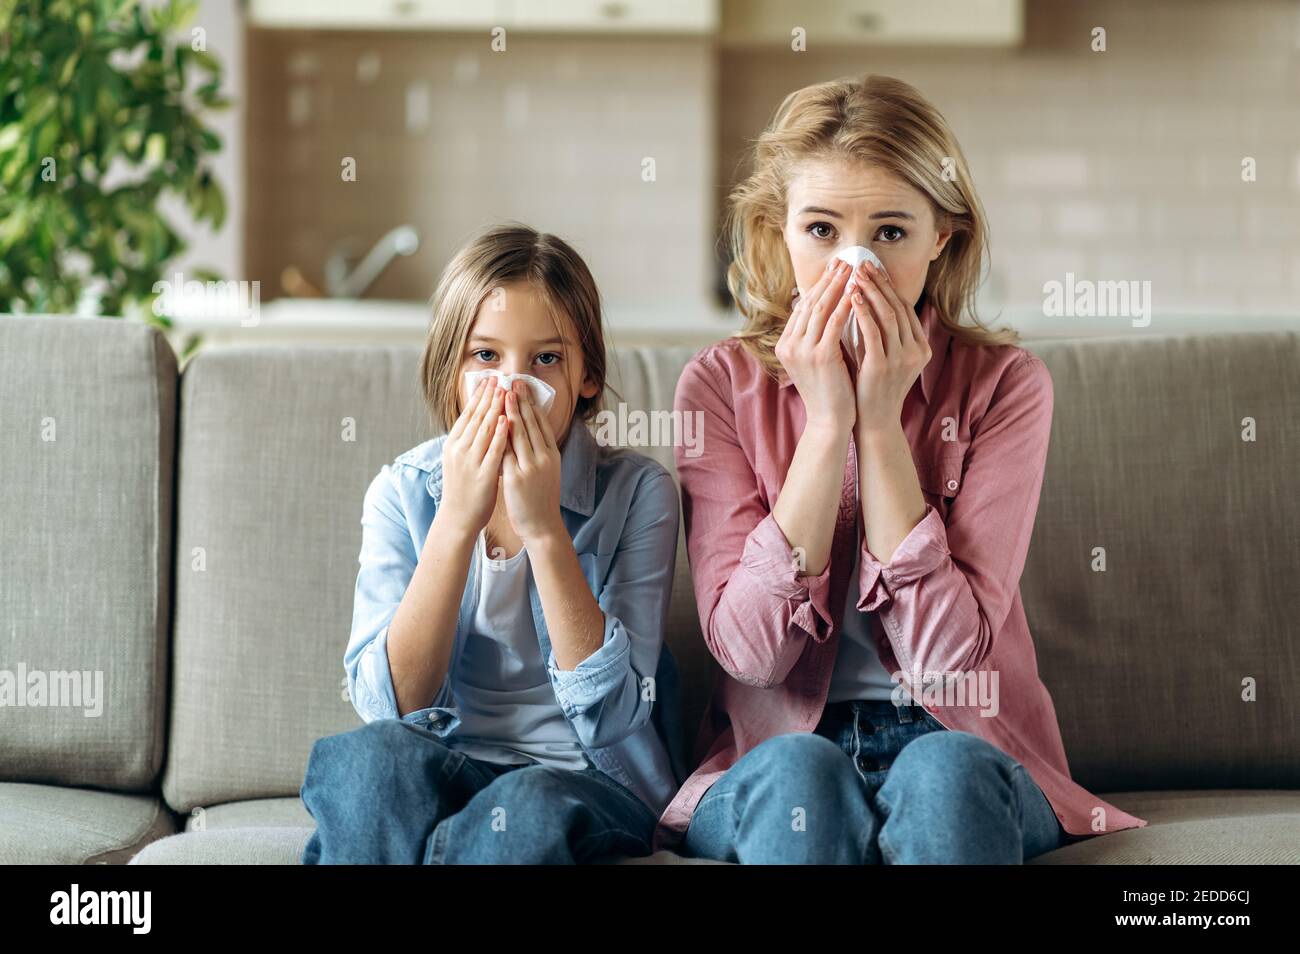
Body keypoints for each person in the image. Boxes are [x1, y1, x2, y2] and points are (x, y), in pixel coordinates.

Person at [656, 73, 1148, 863]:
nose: (857, 267)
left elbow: (947, 664)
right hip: (779, 755)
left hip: (960, 738)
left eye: (890, 233)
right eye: (822, 230)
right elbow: (752, 655)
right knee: (798, 776)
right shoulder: (717, 387)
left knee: (945, 773)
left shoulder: (1006, 386)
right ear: (777, 231)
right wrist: (826, 428)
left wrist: (880, 426)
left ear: (941, 237)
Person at [301, 223, 683, 864]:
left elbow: (618, 712)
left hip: (586, 783)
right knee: (365, 761)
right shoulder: (402, 493)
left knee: (526, 804)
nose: (512, 385)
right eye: (486, 357)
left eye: (547, 359)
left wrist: (545, 529)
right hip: (449, 770)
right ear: (451, 371)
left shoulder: (640, 494)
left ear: (587, 374)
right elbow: (388, 706)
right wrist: (454, 522)